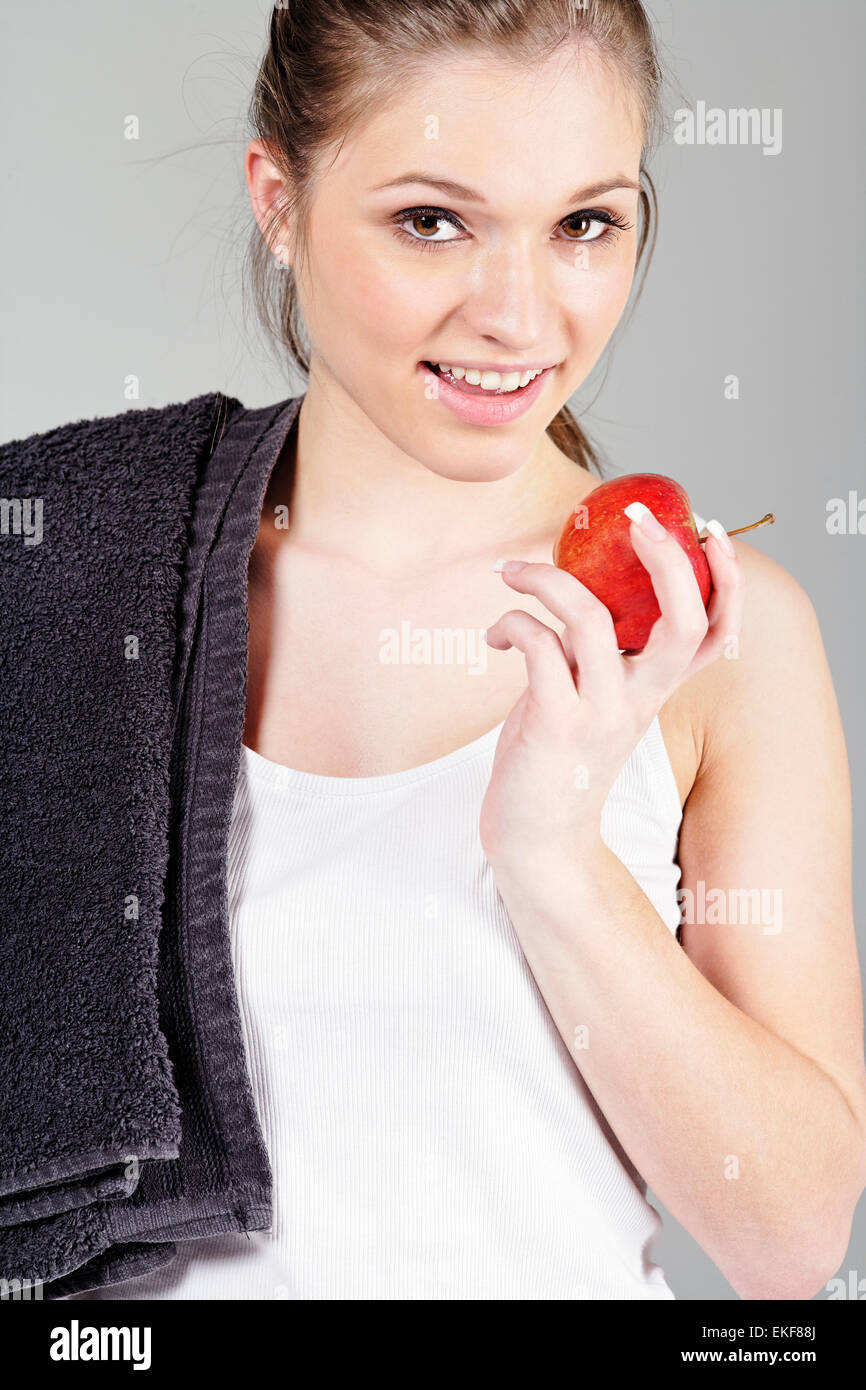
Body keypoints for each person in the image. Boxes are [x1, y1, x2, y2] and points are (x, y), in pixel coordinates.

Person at [67, 0, 866, 1299]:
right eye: (432, 220)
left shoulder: (718, 627)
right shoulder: (79, 593)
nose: (516, 314)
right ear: (279, 197)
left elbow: (785, 1241)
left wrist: (548, 849)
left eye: (582, 225)